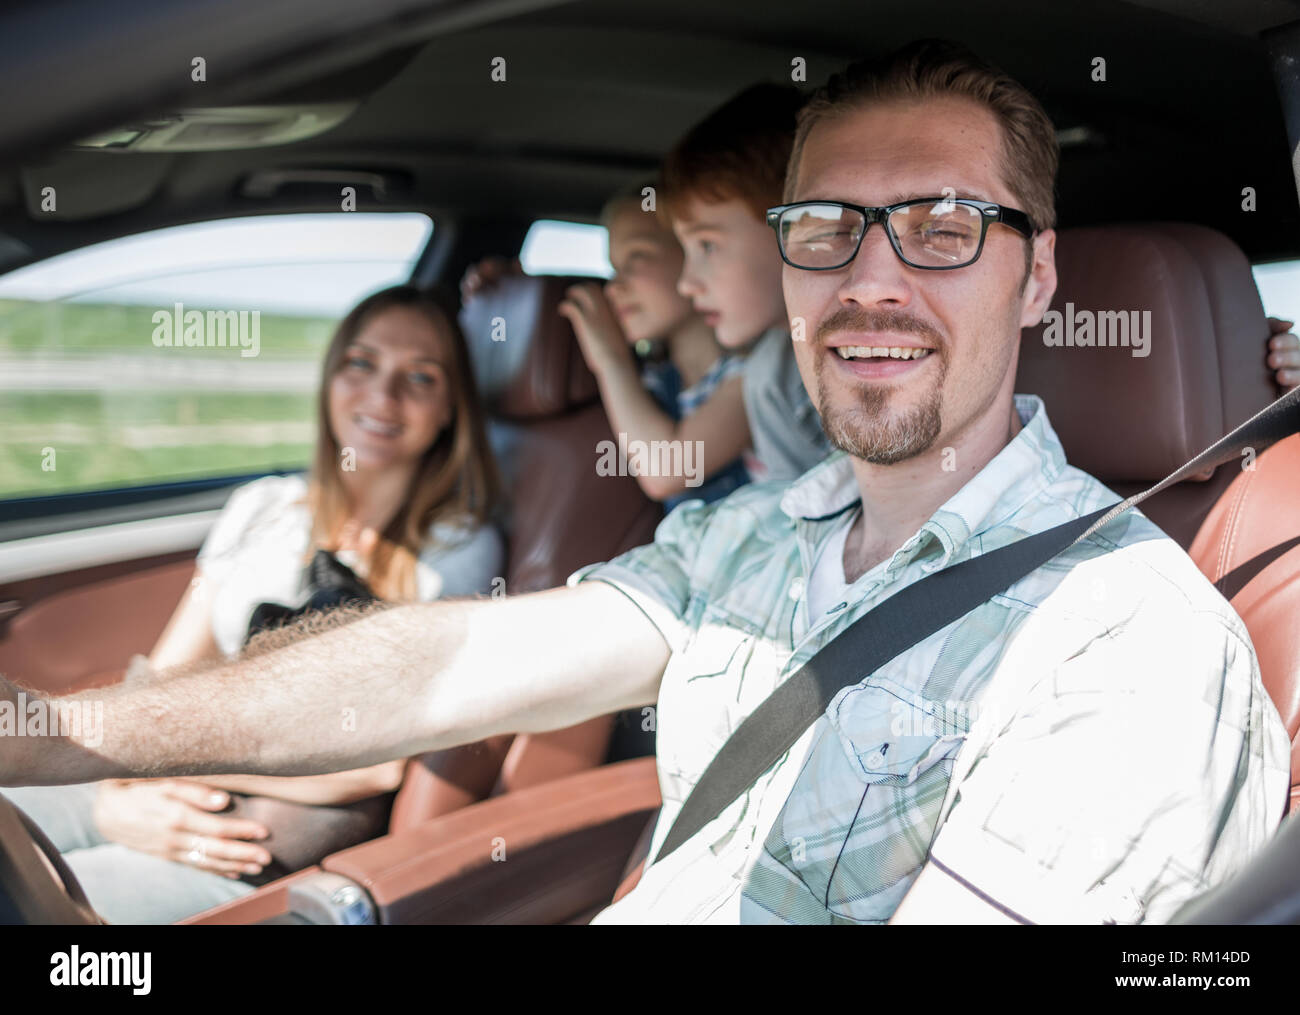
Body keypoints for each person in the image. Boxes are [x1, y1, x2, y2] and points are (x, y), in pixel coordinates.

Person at [0, 40, 1292, 925]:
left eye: (944, 227)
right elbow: (444, 666)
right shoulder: (747, 539)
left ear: (1042, 276)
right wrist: (70, 733)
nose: (873, 280)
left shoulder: (1117, 640)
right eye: (823, 230)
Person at [0, 284, 504, 924]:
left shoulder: (456, 547)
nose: (383, 396)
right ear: (330, 379)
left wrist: (176, 771)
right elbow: (159, 676)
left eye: (421, 377)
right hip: (174, 773)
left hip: (250, 839)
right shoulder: (263, 507)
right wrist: (119, 798)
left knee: (28, 908)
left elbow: (380, 763)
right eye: (362, 363)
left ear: (450, 409)